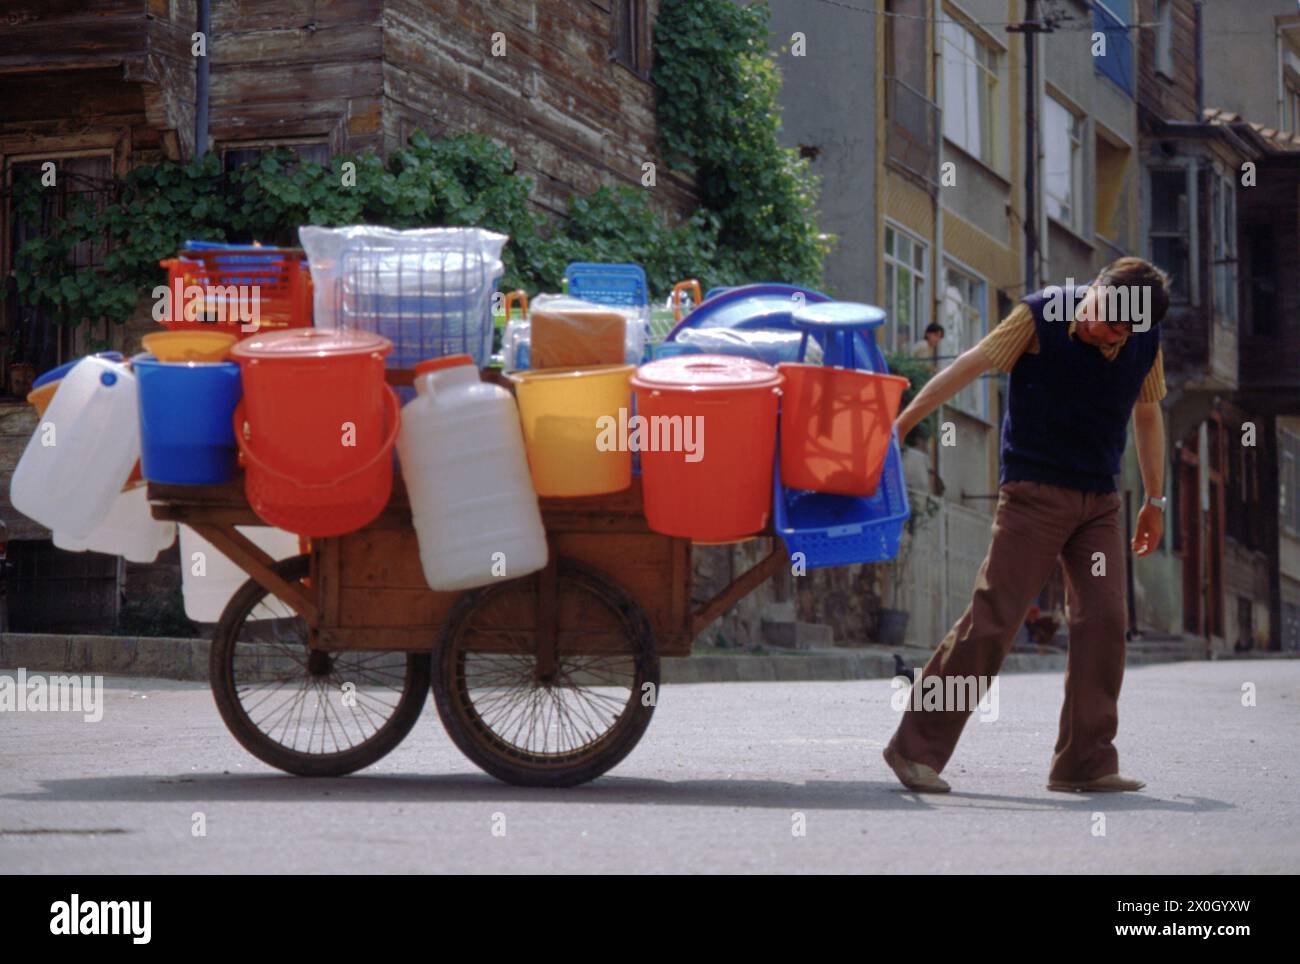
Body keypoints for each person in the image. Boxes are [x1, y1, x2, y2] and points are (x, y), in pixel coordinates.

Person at [883, 257, 1169, 794]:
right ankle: (914, 749)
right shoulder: (1040, 315)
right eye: (1096, 308)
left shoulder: (1145, 341)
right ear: (1097, 286)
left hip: (1099, 503)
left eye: (1111, 326)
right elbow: (971, 363)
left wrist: (1155, 499)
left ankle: (1084, 761)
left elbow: (1148, 414)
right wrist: (906, 419)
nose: (1094, 323)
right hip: (1033, 493)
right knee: (995, 618)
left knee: (1104, 620)